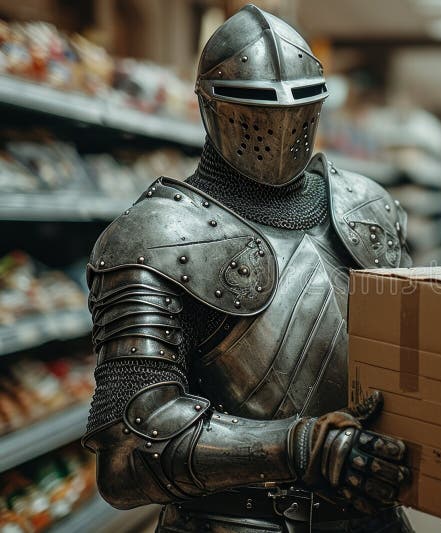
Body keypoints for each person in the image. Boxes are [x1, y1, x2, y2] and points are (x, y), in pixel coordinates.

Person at [81, 5, 413, 532]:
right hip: (234, 520)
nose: (279, 124)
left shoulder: (367, 208)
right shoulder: (157, 237)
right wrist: (300, 446)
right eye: (255, 102)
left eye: (300, 101)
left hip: (373, 512)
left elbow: (418, 365)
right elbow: (128, 453)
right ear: (209, 106)